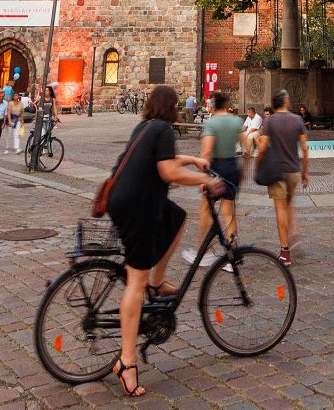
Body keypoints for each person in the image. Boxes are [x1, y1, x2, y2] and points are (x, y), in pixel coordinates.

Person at [106, 84, 218, 398]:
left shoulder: (146, 126)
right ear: (170, 107)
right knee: (135, 281)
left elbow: (164, 158)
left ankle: (158, 281)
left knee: (177, 217)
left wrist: (193, 160)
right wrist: (205, 179)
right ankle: (126, 363)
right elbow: (167, 172)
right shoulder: (164, 130)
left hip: (126, 198)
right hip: (137, 206)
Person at [185, 91, 243, 266]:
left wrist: (204, 175)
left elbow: (207, 151)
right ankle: (233, 255)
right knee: (229, 212)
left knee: (206, 209)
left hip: (217, 168)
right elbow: (246, 144)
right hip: (233, 166)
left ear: (214, 105)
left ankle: (202, 251)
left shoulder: (211, 123)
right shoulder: (236, 121)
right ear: (226, 104)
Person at [251, 89, 308, 266]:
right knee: (288, 205)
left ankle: (285, 251)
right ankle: (293, 234)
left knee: (280, 209)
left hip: (277, 170)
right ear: (284, 101)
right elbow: (305, 149)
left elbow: (262, 147)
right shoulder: (297, 119)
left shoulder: (270, 121)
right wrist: (305, 172)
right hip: (293, 170)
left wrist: (257, 164)